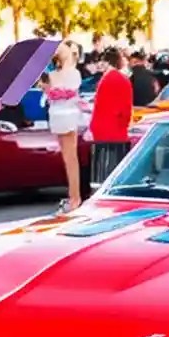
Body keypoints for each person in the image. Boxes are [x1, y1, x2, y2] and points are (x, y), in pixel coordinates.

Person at [44, 40, 84, 213]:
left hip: (67, 116)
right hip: (57, 116)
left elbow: (69, 92)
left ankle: (75, 196)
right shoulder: (53, 75)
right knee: (67, 158)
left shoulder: (73, 73)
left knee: (70, 158)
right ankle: (73, 196)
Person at [87, 47, 134, 189]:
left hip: (101, 128)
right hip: (116, 129)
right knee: (116, 167)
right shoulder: (121, 79)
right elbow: (126, 107)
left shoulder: (105, 79)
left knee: (102, 167)